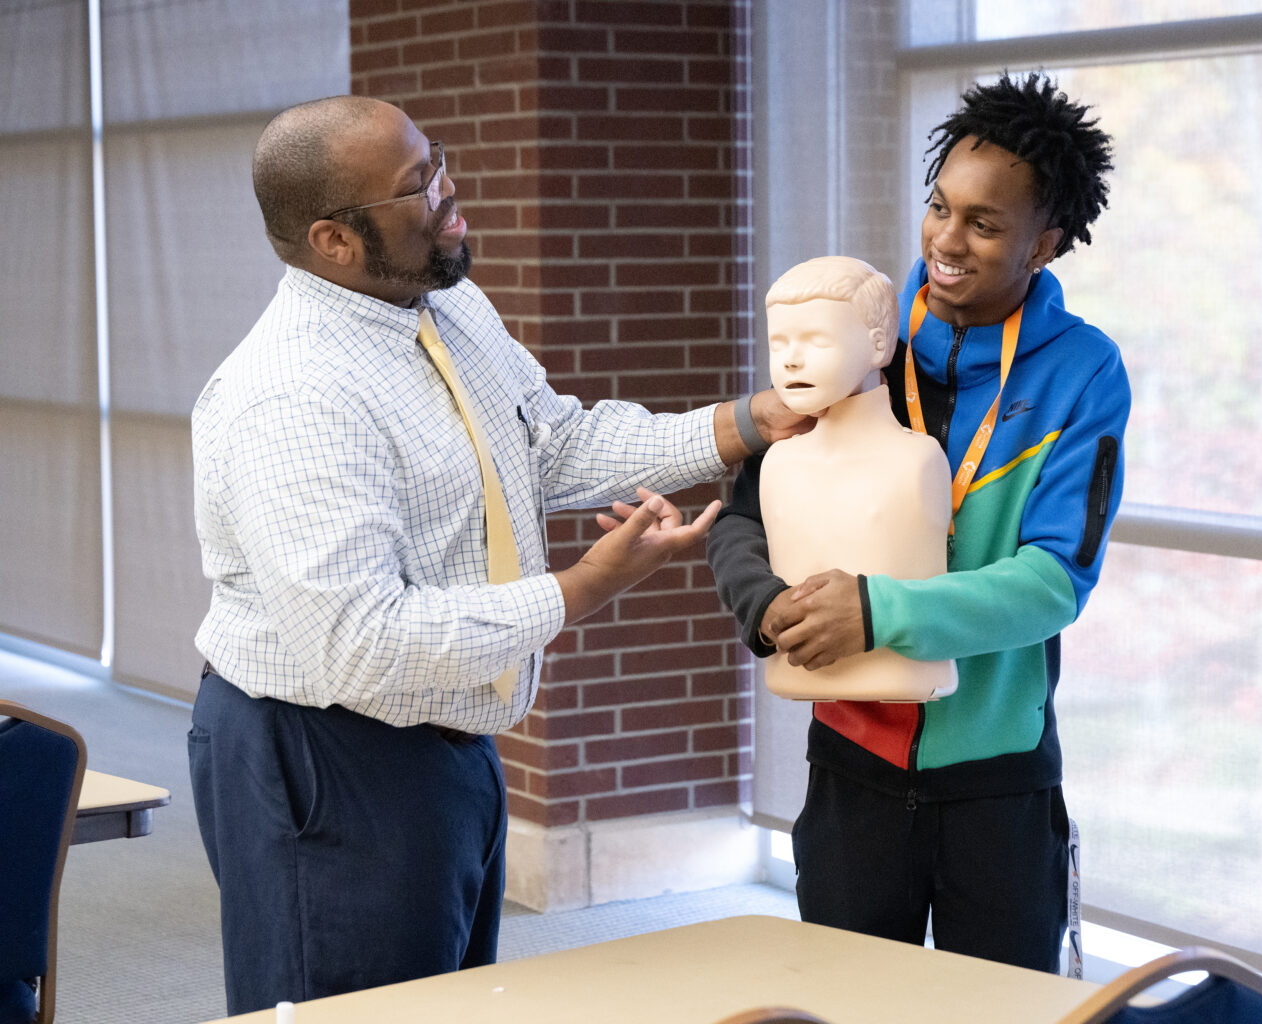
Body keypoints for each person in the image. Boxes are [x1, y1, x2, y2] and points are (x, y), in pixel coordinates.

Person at [188, 94, 805, 1015]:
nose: (449, 190)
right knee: (351, 1010)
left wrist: (741, 424)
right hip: (325, 754)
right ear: (334, 240)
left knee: (446, 1006)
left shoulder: (445, 303)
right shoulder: (292, 397)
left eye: (436, 159)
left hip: (449, 740)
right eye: (417, 185)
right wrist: (581, 589)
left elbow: (548, 443)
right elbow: (364, 642)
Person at [706, 72, 1130, 971]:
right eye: (940, 206)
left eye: (985, 223)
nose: (945, 239)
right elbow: (743, 516)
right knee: (851, 1003)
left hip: (998, 781)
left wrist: (881, 610)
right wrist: (764, 602)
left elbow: (1057, 581)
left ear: (1044, 243)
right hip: (850, 763)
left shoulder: (1083, 372)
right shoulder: (853, 334)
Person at [756, 255, 955, 702]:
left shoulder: (918, 460)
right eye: (778, 343)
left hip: (907, 678)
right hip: (803, 685)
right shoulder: (776, 462)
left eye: (816, 341)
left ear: (879, 344)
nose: (790, 361)